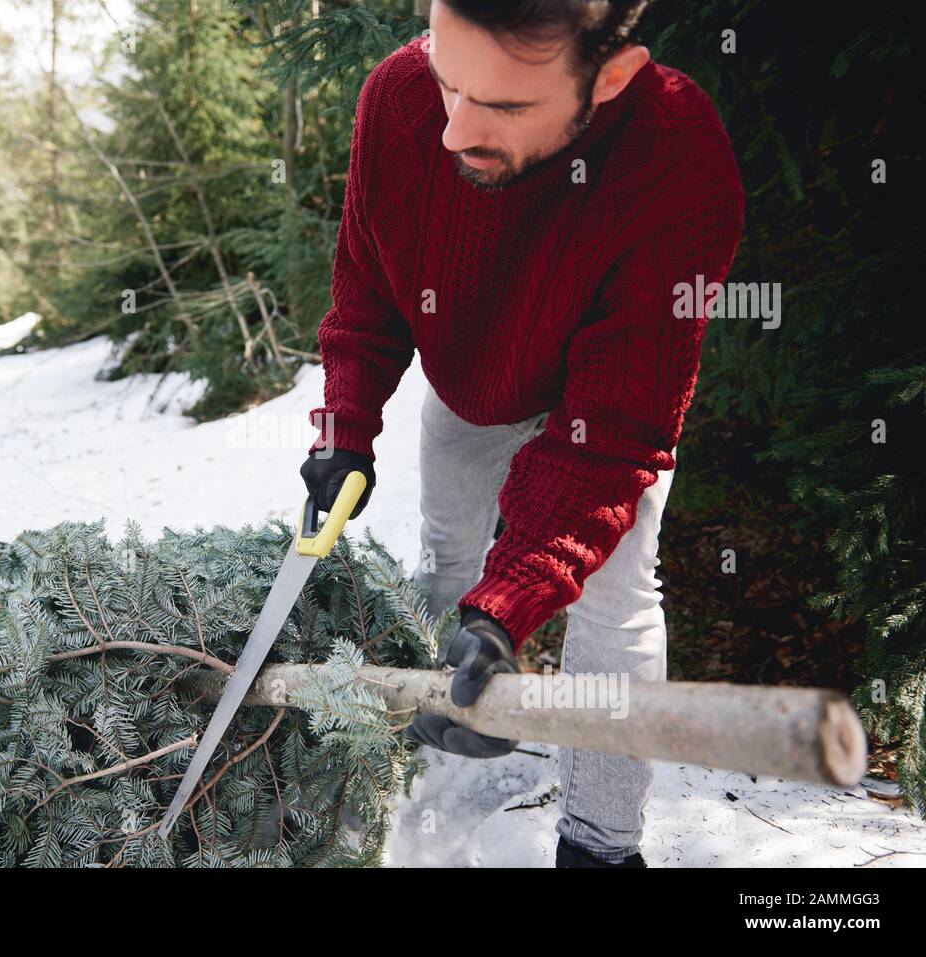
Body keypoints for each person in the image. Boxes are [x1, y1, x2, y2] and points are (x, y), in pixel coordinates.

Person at [300, 0, 744, 868]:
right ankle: (451, 730)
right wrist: (345, 426)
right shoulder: (397, 97)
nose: (452, 131)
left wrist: (516, 603)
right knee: (449, 555)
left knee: (617, 599)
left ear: (609, 77)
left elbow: (613, 438)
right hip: (469, 378)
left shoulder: (678, 157)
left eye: (502, 106)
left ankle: (601, 841)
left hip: (604, 407)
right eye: (447, 79)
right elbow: (366, 280)